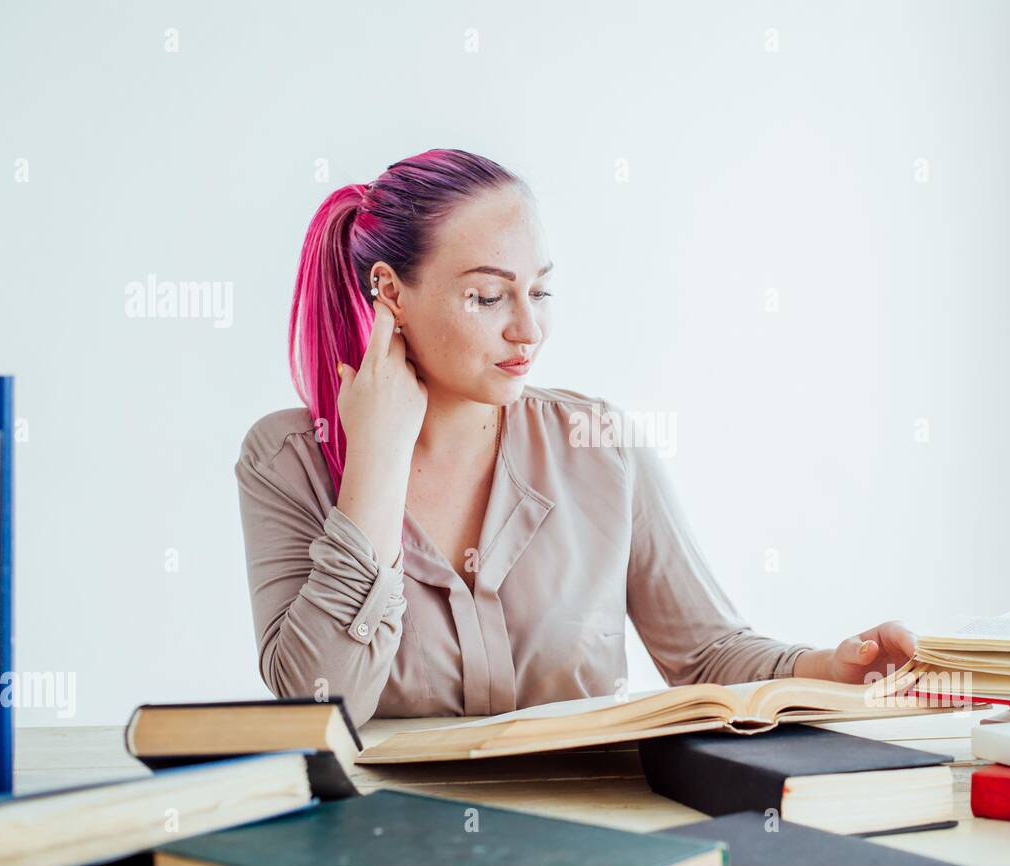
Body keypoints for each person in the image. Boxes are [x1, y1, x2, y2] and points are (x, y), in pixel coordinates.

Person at [235, 148, 916, 727]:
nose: (528, 332)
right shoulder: (287, 460)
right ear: (390, 292)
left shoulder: (598, 443)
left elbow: (706, 657)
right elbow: (319, 703)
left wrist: (830, 671)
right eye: (488, 296)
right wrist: (376, 461)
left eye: (540, 293)